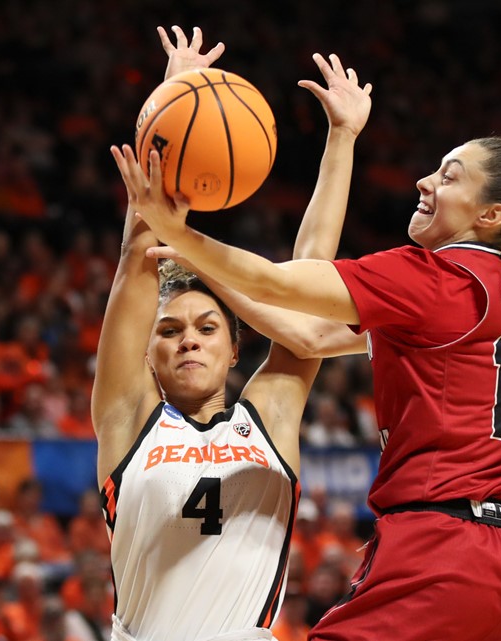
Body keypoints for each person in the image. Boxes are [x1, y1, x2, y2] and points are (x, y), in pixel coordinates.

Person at [129, 55, 501, 637]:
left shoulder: (436, 278)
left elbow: (280, 283)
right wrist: (341, 139)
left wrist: (181, 233)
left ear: (490, 215)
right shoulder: (484, 290)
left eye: (449, 176)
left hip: (441, 553)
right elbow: (303, 332)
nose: (425, 182)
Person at [97, 25, 371, 641]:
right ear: (148, 353)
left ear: (233, 348)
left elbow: (310, 278)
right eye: (168, 330)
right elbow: (137, 258)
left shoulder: (268, 415)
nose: (188, 339)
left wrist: (341, 139)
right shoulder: (127, 417)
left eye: (206, 326)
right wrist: (169, 110)